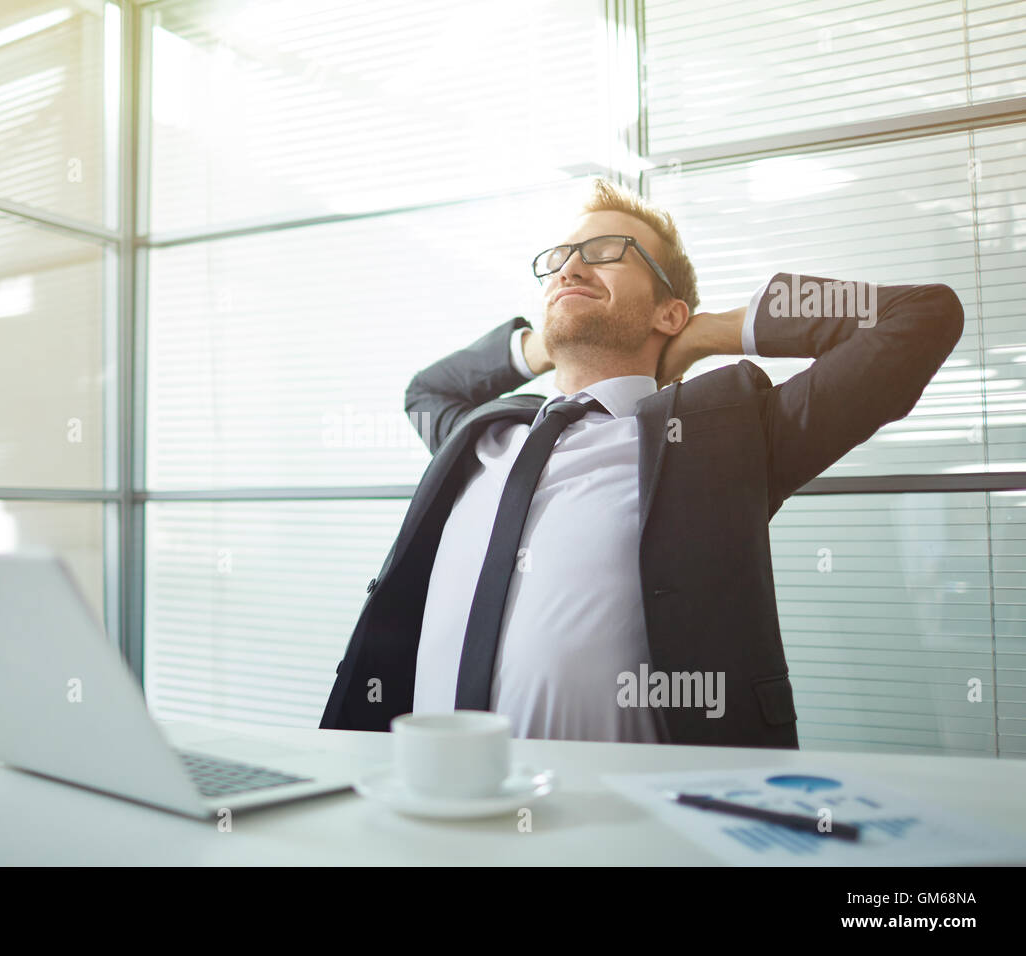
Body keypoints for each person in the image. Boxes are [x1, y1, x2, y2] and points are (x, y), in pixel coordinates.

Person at [320, 178, 964, 747]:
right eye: (560, 261)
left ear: (669, 310)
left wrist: (714, 331)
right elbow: (426, 391)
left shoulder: (723, 439)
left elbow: (918, 318)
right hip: (434, 811)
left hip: (636, 830)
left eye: (604, 253)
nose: (570, 268)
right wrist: (549, 340)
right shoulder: (482, 438)